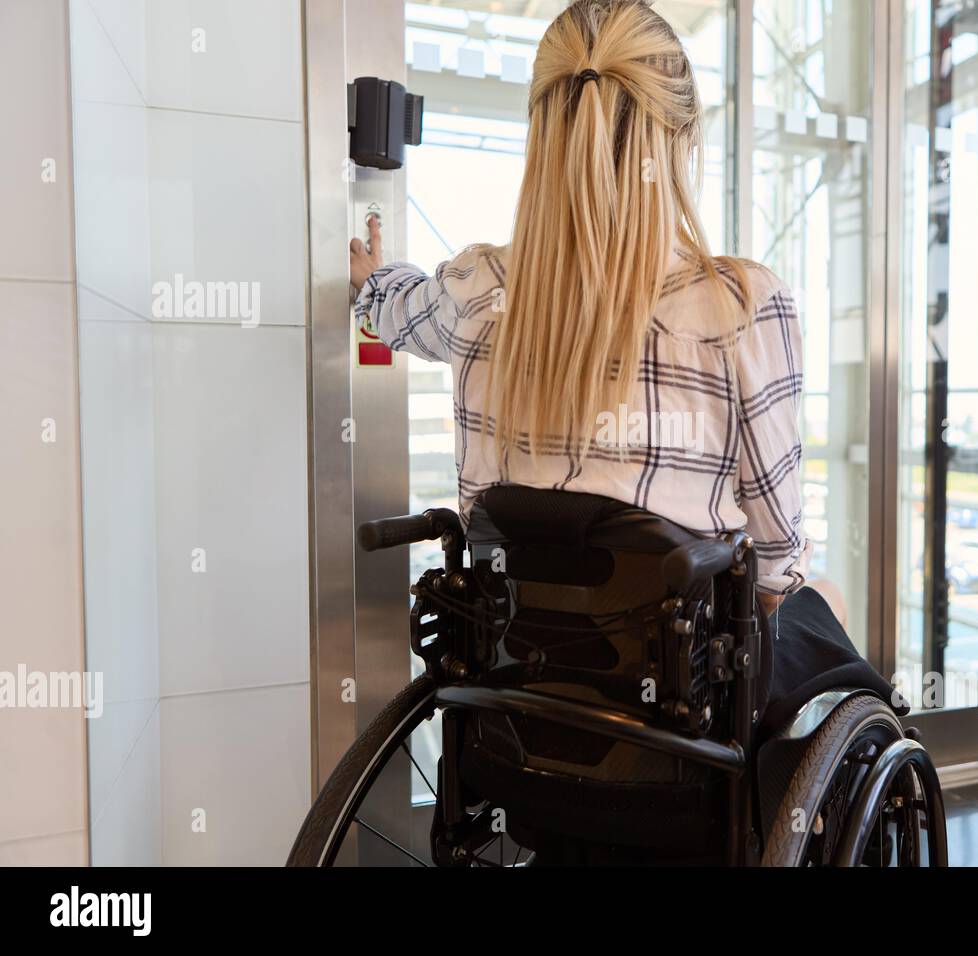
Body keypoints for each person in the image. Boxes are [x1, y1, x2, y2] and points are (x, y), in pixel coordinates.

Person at [349, 0, 902, 732]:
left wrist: (370, 279)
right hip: (682, 709)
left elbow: (396, 311)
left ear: (543, 135)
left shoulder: (478, 291)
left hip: (526, 692)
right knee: (817, 596)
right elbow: (774, 557)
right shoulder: (739, 305)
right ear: (678, 141)